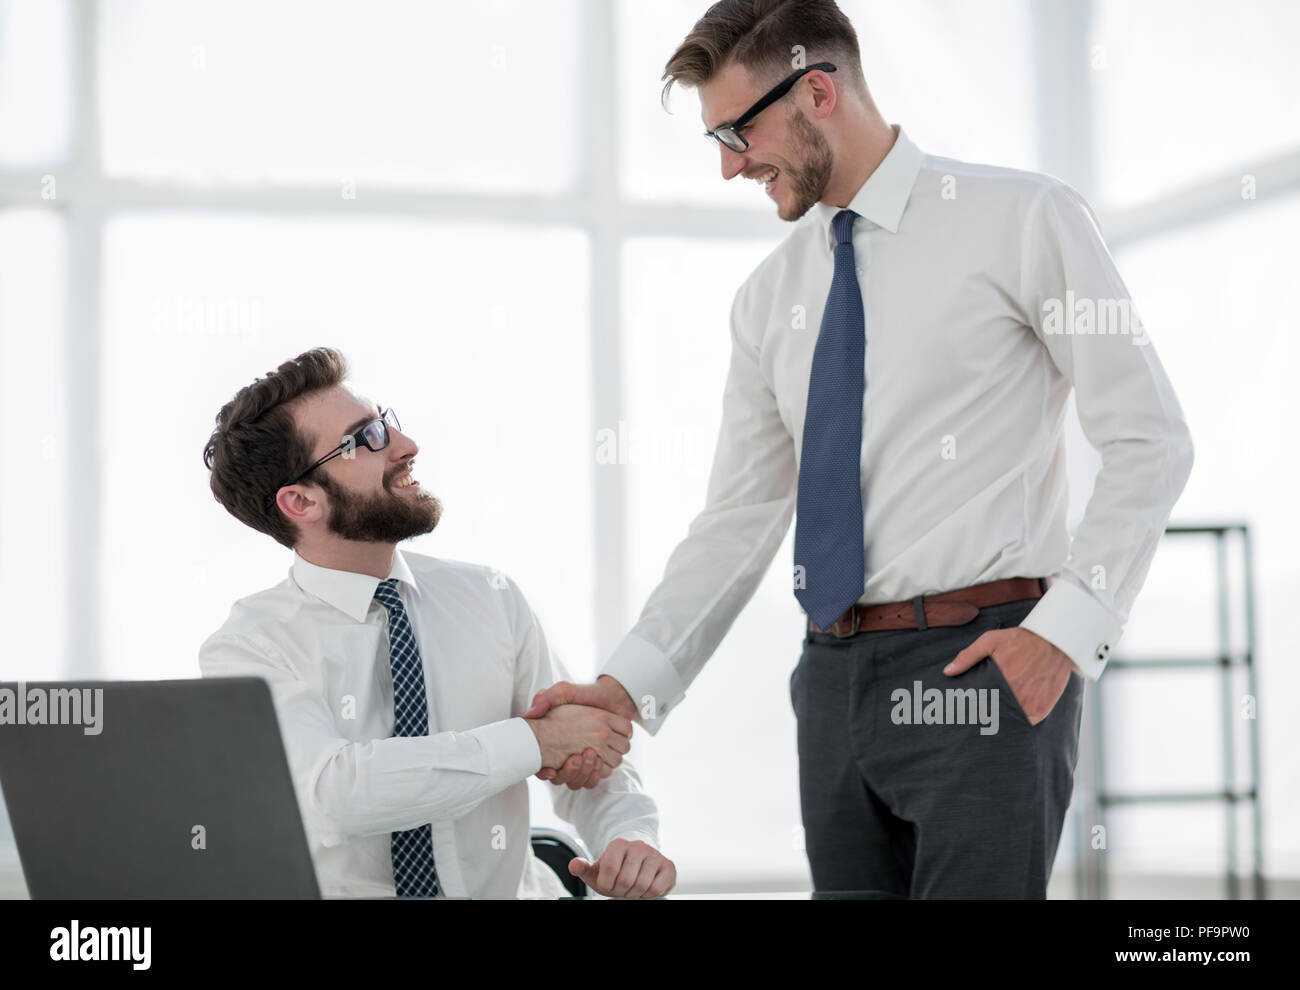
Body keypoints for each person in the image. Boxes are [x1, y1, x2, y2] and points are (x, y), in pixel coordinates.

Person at [526, 0, 1193, 898]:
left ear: (819, 91)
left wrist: (1063, 638)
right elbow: (738, 520)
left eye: (737, 129)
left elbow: (1150, 438)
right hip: (831, 681)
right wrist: (627, 685)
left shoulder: (1021, 218)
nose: (729, 165)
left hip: (983, 665)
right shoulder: (769, 300)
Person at [198, 347, 675, 899]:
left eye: (387, 423)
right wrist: (531, 740)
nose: (406, 447)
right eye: (367, 439)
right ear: (301, 501)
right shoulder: (249, 646)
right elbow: (336, 794)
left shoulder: (491, 598)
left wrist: (630, 834)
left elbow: (585, 757)